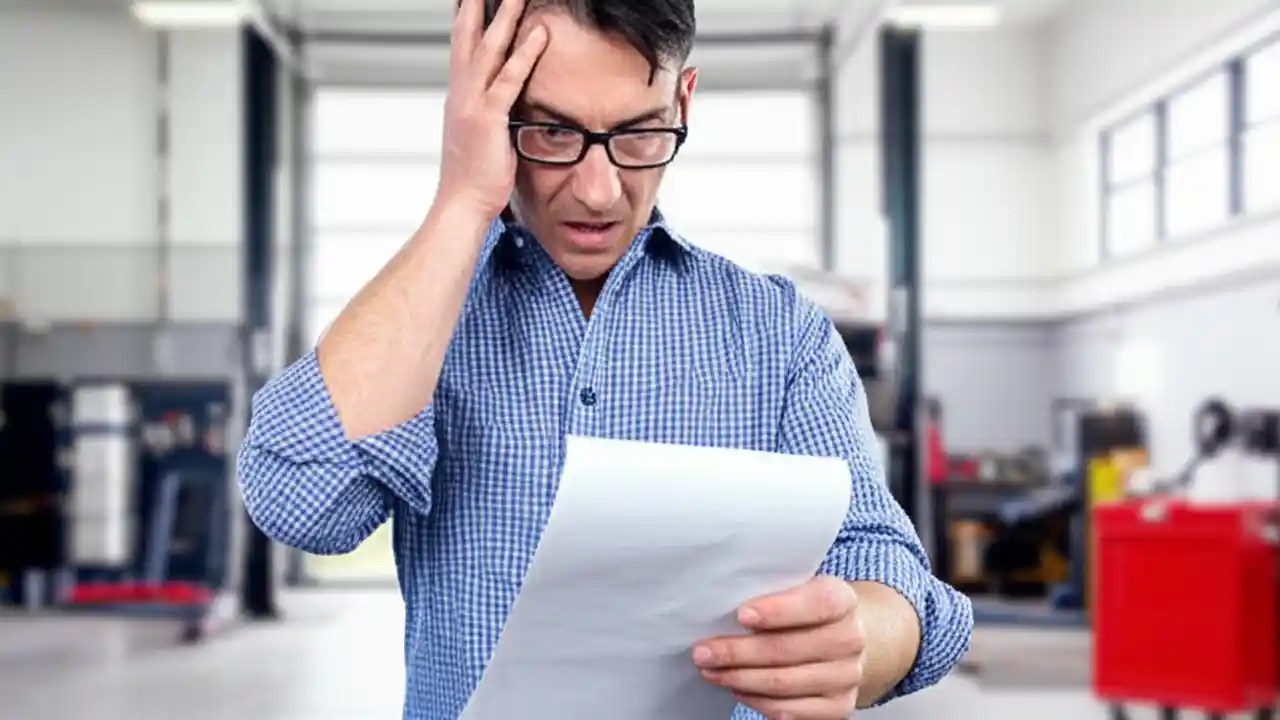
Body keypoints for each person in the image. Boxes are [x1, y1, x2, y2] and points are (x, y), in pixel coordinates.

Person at [236, 0, 974, 717]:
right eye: (551, 132)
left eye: (639, 134)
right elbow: (300, 501)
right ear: (485, 112)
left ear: (684, 102)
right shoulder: (427, 319)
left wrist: (858, 641)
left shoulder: (779, 334)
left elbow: (889, 573)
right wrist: (461, 198)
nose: (598, 190)